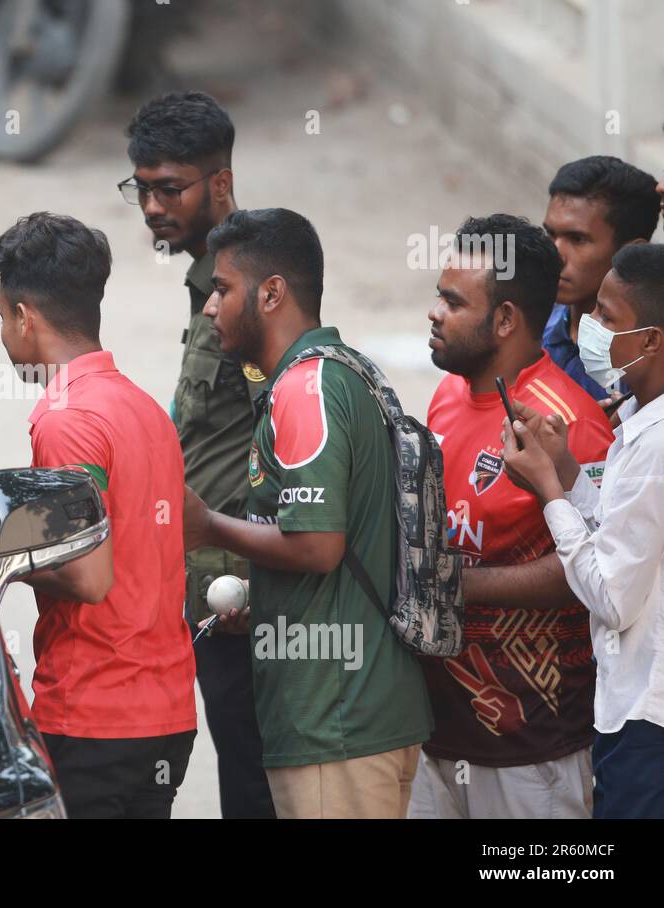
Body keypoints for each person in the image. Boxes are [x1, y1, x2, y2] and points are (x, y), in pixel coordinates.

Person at [183, 207, 433, 818]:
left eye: (222, 288)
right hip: (361, 716)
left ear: (271, 293)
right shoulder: (345, 372)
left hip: (336, 723)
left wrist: (208, 526)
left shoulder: (304, 388)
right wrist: (261, 597)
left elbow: (318, 545)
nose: (210, 307)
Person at [0, 211, 196, 818]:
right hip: (166, 715)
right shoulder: (146, 410)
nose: (2, 336)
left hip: (95, 718)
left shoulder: (66, 418)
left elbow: (89, 576)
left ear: (26, 316)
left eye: (2, 317)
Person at [413, 214, 614, 818]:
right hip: (437, 735)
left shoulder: (569, 424)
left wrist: (455, 584)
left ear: (504, 319)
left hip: (532, 749)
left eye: (452, 301)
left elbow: (599, 572)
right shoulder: (447, 394)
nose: (435, 312)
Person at [121, 91, 274, 818]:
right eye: (141, 188)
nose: (152, 206)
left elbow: (285, 438)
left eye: (168, 188)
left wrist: (250, 576)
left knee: (255, 777)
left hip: (238, 589)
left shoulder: (246, 283)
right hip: (207, 577)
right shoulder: (203, 278)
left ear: (219, 183)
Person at [502, 242, 664, 818]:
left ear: (650, 340)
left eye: (607, 318)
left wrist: (549, 491)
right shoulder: (636, 424)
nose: (588, 327)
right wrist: (569, 473)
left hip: (646, 719)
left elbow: (613, 597)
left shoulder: (654, 444)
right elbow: (626, 537)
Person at [542, 156, 659, 400]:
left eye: (577, 239)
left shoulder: (646, 368)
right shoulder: (526, 326)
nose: (554, 255)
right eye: (550, 234)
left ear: (630, 250)